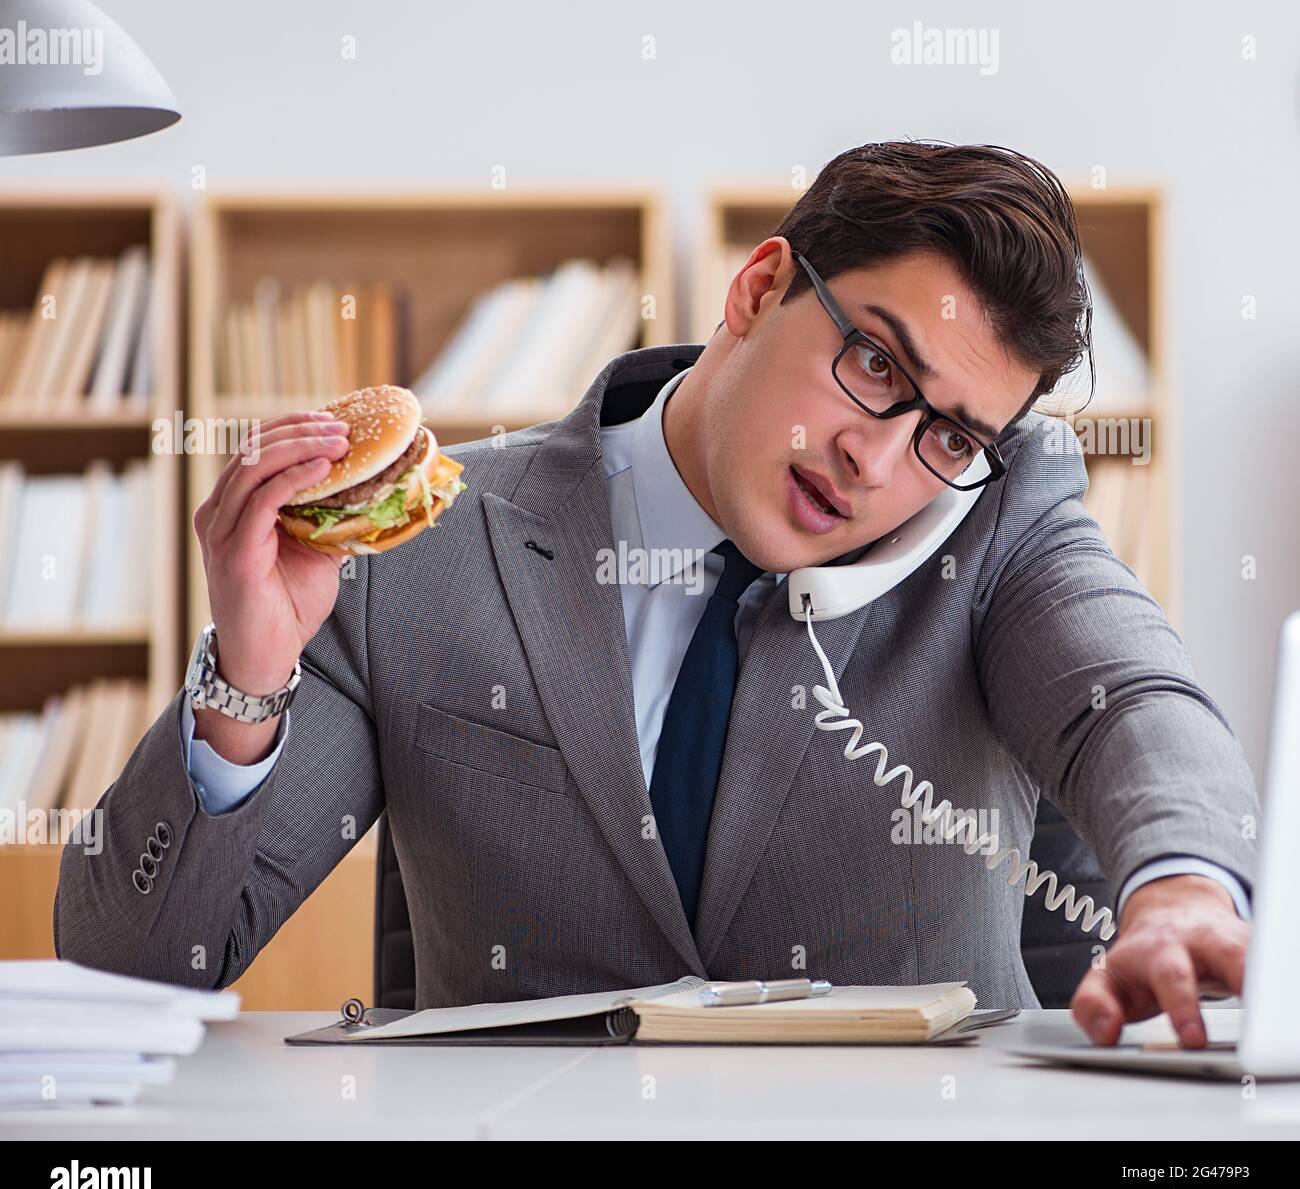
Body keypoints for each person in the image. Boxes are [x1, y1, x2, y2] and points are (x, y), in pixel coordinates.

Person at [54, 141, 1256, 1047]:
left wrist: (1182, 889)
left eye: (948, 432)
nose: (878, 460)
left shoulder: (991, 520)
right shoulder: (426, 540)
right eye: (875, 364)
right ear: (757, 287)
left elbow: (1128, 696)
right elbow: (136, 968)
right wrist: (245, 683)